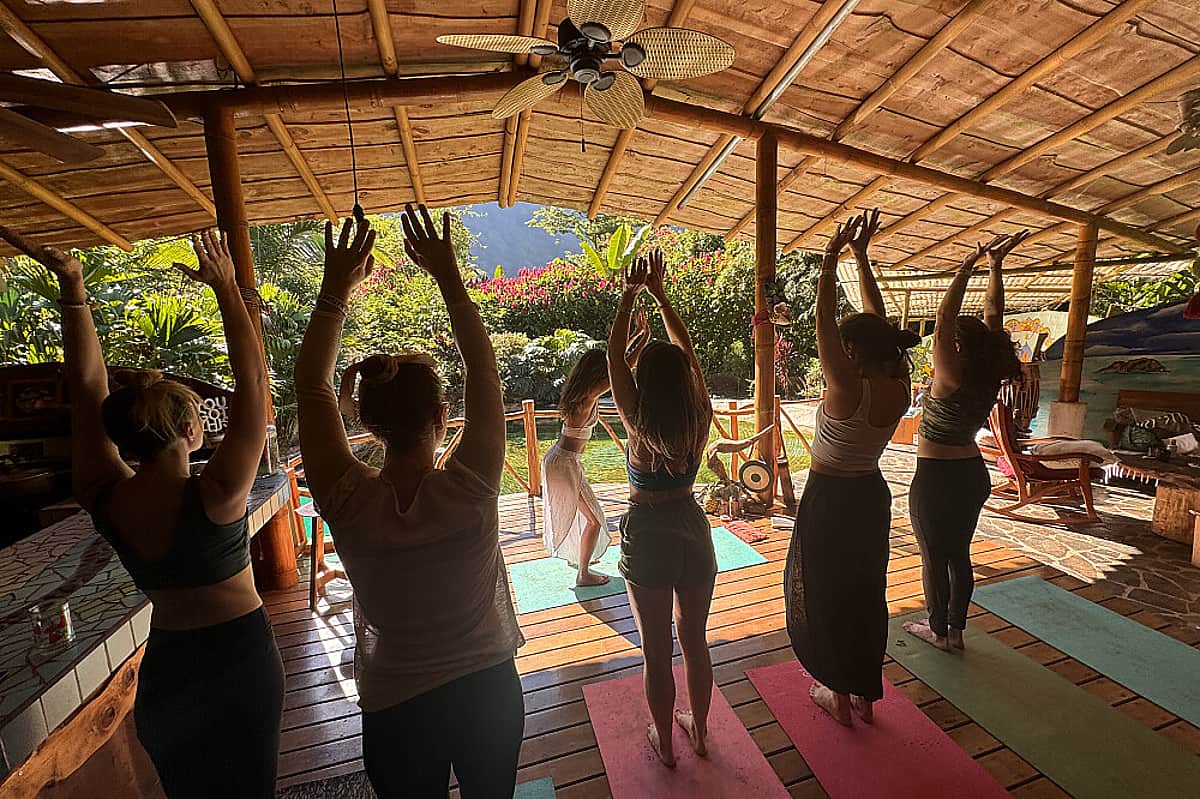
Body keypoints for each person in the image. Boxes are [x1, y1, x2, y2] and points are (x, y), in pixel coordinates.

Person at [0, 225, 282, 797]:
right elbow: (253, 383)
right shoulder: (219, 496)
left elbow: (85, 391)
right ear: (186, 429)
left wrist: (74, 289)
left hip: (170, 667)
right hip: (238, 662)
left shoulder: (105, 495)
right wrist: (228, 288)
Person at [294, 206, 524, 798]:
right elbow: (484, 370)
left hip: (397, 705)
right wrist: (447, 275)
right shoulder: (471, 488)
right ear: (442, 419)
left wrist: (336, 288)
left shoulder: (348, 501)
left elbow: (313, 386)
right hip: (487, 691)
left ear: (367, 425)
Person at [784, 210, 920, 726]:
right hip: (870, 496)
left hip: (830, 499)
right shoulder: (898, 386)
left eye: (846, 345)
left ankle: (836, 696)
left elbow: (823, 331)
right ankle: (863, 692)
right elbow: (877, 327)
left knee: (823, 592)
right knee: (865, 592)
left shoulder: (849, 387)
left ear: (853, 351)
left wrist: (826, 265)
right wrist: (861, 258)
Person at [607, 249, 714, 766]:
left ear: (644, 385)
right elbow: (687, 354)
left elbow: (612, 359)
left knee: (656, 649)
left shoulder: (638, 425)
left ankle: (667, 745)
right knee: (695, 641)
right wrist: (661, 295)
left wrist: (629, 295)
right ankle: (700, 731)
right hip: (692, 527)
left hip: (647, 531)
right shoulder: (699, 414)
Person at [904, 231, 1027, 651]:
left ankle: (937, 631)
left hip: (937, 479)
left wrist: (966, 268)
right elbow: (996, 315)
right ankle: (955, 630)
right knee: (959, 554)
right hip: (972, 475)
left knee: (934, 557)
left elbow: (943, 319)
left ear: (956, 344)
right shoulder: (987, 370)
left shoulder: (950, 376)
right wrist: (994, 267)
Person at [542, 311, 649, 585]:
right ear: (597, 374)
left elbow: (616, 358)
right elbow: (620, 365)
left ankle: (578, 559)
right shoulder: (588, 396)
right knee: (595, 520)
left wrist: (636, 333)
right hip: (564, 463)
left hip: (560, 460)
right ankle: (583, 574)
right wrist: (644, 336)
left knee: (584, 514)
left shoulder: (578, 394)